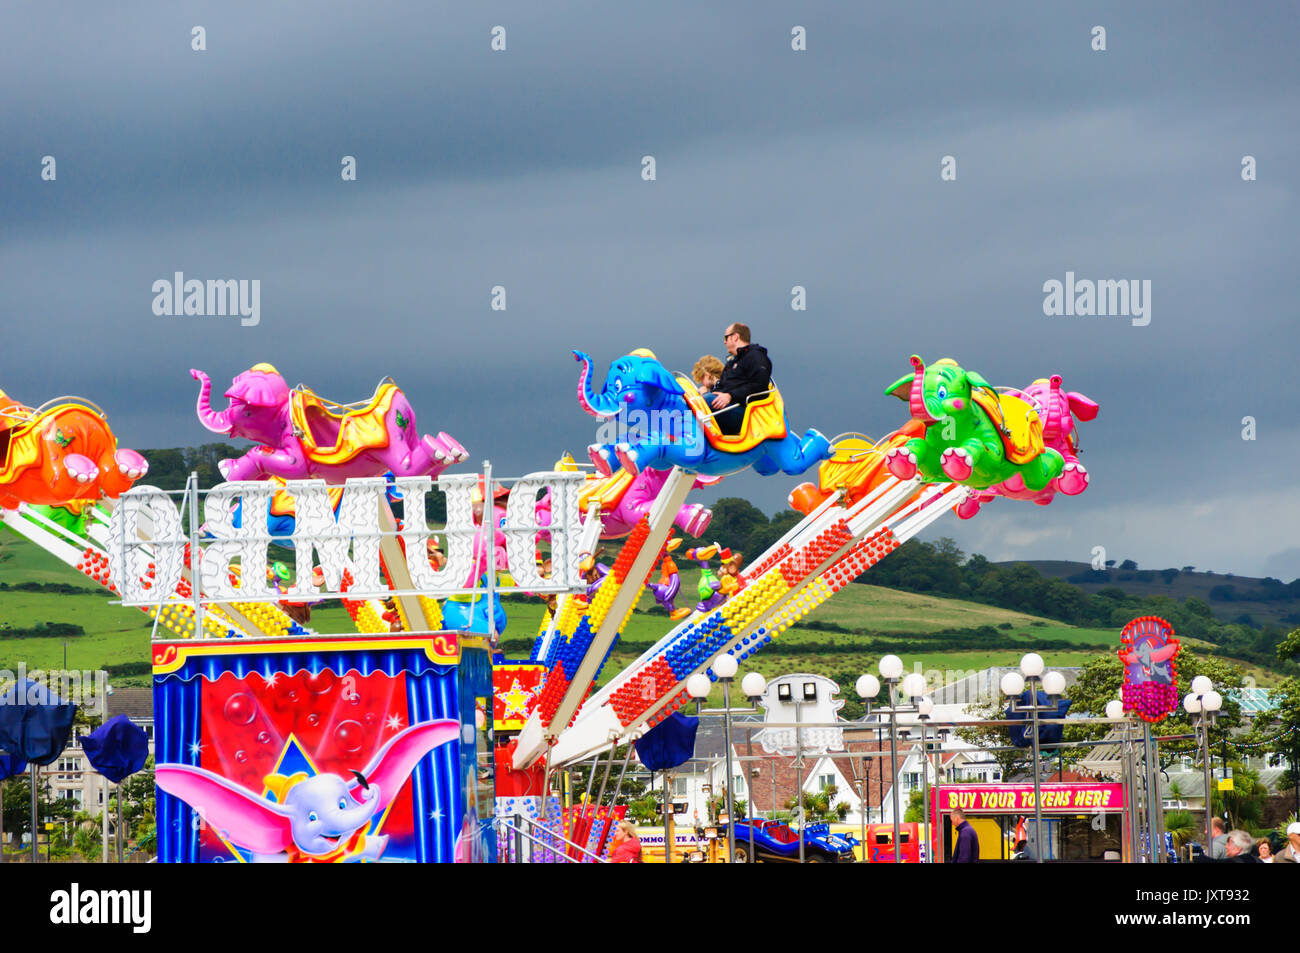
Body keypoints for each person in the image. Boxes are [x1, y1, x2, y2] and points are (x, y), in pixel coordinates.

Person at [709, 323, 772, 436]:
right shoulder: (732, 362)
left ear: (735, 337)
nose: (724, 342)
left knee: (706, 402)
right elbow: (721, 386)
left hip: (745, 412)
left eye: (726, 338)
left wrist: (730, 396)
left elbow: (760, 386)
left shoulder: (756, 357)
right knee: (695, 400)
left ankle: (676, 439)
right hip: (726, 407)